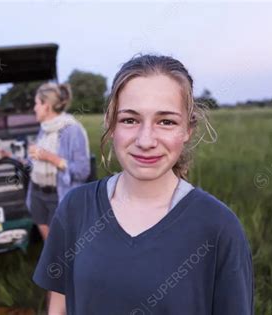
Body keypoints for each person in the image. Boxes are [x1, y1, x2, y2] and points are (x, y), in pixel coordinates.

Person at [32, 55, 254, 314]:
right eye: (130, 119)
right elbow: (59, 303)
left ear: (187, 130)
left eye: (166, 121)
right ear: (111, 124)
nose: (146, 140)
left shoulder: (218, 227)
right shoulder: (75, 208)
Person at [0, 83, 91, 241]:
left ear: (47, 106)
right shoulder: (44, 129)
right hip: (37, 193)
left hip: (58, 195)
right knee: (50, 245)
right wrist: (8, 155)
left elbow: (82, 171)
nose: (34, 108)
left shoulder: (72, 130)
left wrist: (50, 157)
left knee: (63, 246)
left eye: (37, 103)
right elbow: (32, 162)